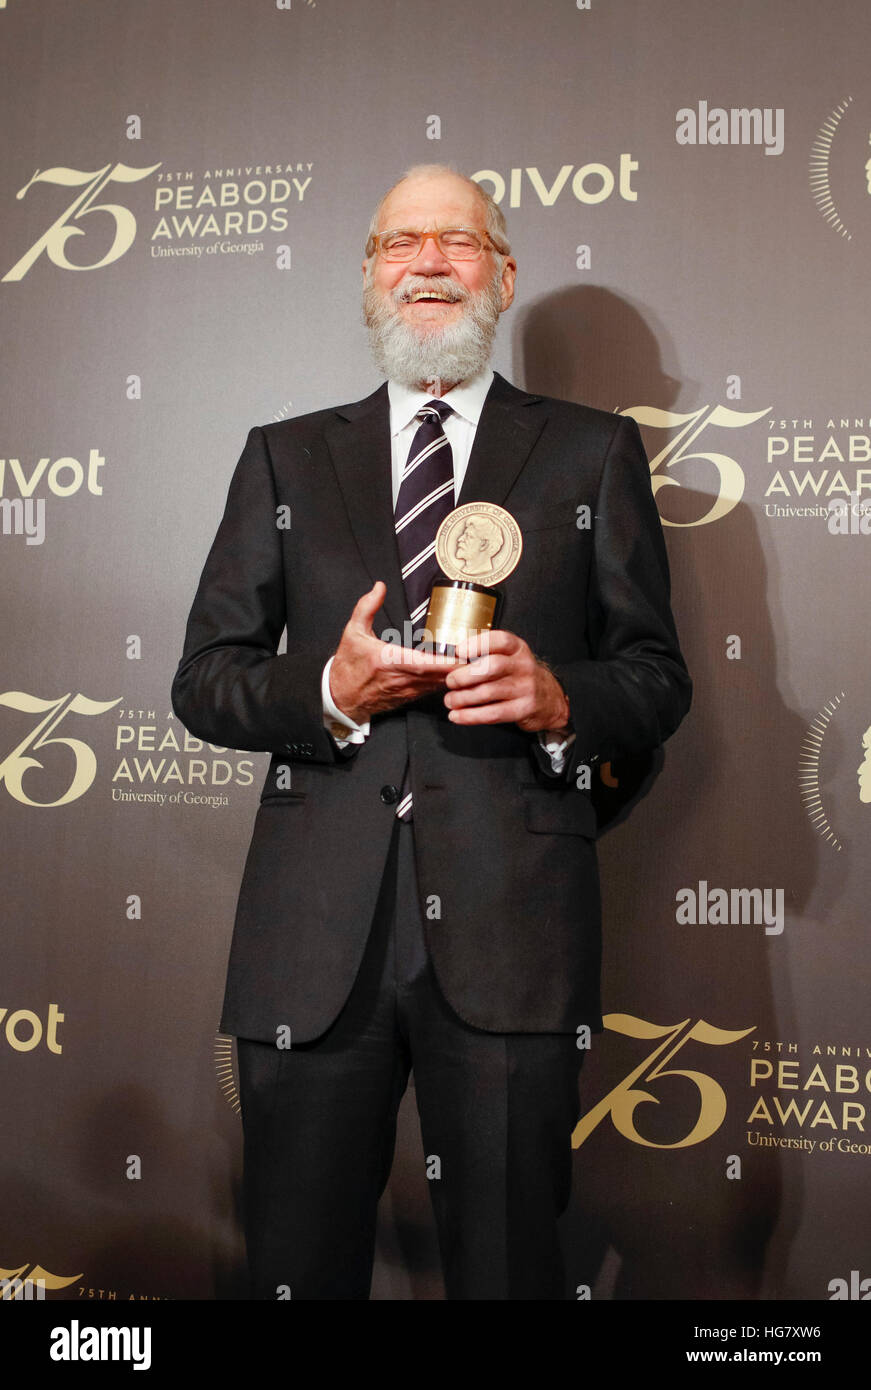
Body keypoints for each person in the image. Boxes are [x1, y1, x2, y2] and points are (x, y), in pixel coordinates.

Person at [171, 163, 692, 1300]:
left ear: (500, 275)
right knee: (296, 1267)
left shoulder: (592, 452)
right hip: (313, 943)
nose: (427, 263)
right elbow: (205, 681)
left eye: (457, 241)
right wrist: (329, 688)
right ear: (369, 277)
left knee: (508, 1269)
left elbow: (656, 680)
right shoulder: (284, 455)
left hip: (513, 935)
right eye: (400, 242)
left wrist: (559, 700)